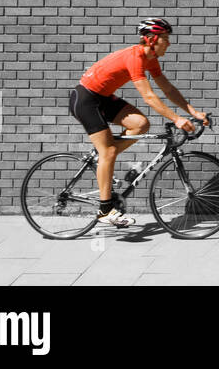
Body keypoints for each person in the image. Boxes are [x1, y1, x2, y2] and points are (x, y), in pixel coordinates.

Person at [68, 19, 208, 228]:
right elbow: (149, 97)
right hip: (85, 99)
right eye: (166, 39)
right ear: (151, 40)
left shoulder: (150, 59)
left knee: (141, 124)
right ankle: (105, 210)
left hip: (103, 98)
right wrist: (177, 119)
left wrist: (193, 111)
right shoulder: (135, 57)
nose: (168, 44)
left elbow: (168, 89)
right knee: (108, 152)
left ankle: (105, 159)